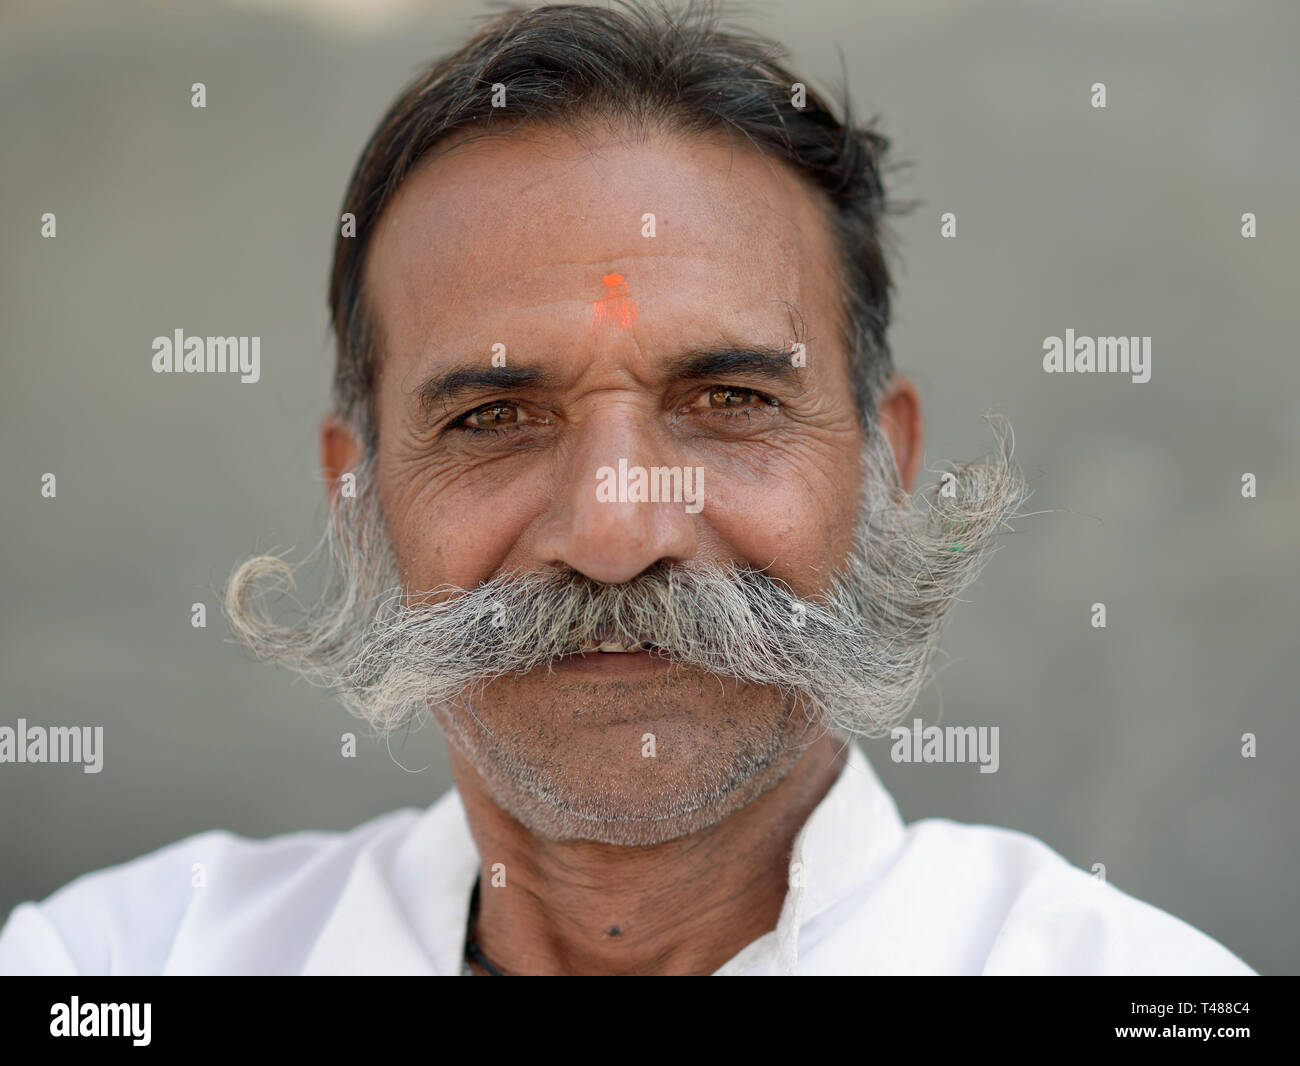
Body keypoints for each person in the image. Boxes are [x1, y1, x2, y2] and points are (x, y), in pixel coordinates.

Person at [0, 0, 1254, 976]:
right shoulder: (117, 961)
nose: (613, 529)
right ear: (358, 500)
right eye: (493, 417)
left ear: (882, 468)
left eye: (730, 403)